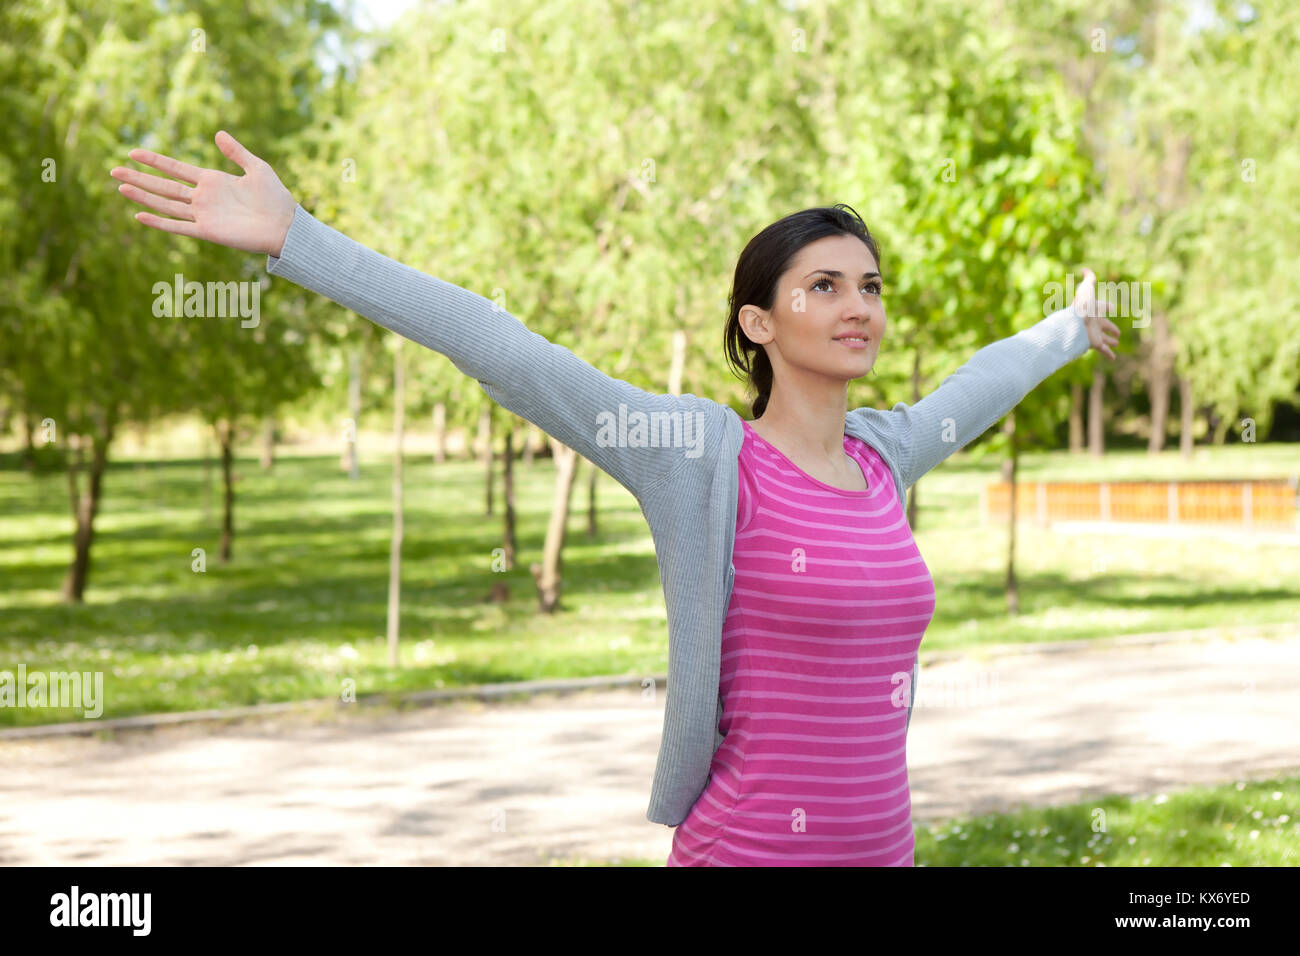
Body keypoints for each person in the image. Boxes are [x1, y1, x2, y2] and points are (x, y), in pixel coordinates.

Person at [110, 131, 1120, 866]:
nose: (857, 305)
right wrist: (301, 240)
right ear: (757, 323)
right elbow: (504, 347)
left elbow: (981, 382)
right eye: (823, 286)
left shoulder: (886, 456)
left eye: (870, 285)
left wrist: (1069, 326)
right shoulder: (696, 454)